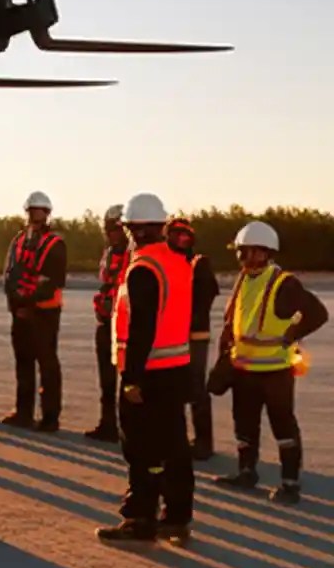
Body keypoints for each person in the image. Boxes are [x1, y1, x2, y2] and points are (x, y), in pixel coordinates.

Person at [96, 192, 195, 545]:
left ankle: (141, 518)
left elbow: (142, 328)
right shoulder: (179, 261)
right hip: (176, 366)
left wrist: (132, 378)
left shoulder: (143, 268)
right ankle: (178, 517)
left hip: (148, 371)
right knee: (175, 446)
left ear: (132, 230)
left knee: (140, 449)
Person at [213, 220, 328, 504]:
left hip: (275, 371)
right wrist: (223, 357)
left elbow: (318, 313)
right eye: (243, 253)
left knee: (283, 427)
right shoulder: (242, 280)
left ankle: (290, 484)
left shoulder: (283, 283)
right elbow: (233, 323)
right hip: (243, 369)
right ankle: (247, 472)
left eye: (255, 253)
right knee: (245, 425)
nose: (249, 259)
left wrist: (292, 335)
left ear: (268, 253)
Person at [2, 190, 66, 432]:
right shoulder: (18, 241)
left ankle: (50, 417)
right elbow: (10, 275)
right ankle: (23, 412)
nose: (34, 216)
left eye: (39, 212)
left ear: (47, 214)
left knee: (47, 364)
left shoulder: (56, 244)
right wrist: (16, 305)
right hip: (20, 312)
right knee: (23, 363)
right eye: (31, 211)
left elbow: (53, 281)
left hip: (45, 313)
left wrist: (28, 304)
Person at [165, 217, 221, 460]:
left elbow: (207, 295)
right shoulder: (165, 263)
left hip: (194, 335)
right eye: (176, 234)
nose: (181, 239)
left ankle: (203, 443)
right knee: (173, 388)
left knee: (196, 388)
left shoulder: (199, 264)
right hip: (170, 336)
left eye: (185, 234)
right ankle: (178, 439)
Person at [85, 204, 130, 443]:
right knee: (107, 380)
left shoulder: (135, 254)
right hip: (106, 321)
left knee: (128, 381)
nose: (112, 232)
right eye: (109, 228)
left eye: (116, 228)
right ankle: (108, 423)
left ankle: (128, 428)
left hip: (125, 324)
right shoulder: (109, 252)